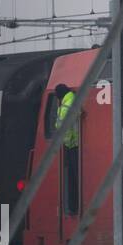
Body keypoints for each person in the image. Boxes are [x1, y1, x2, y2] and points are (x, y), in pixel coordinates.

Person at [54, 83, 81, 214]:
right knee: (74, 177)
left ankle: (74, 207)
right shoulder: (72, 99)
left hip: (73, 146)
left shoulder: (66, 104)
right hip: (75, 145)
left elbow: (61, 127)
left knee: (74, 178)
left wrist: (66, 141)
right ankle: (74, 206)